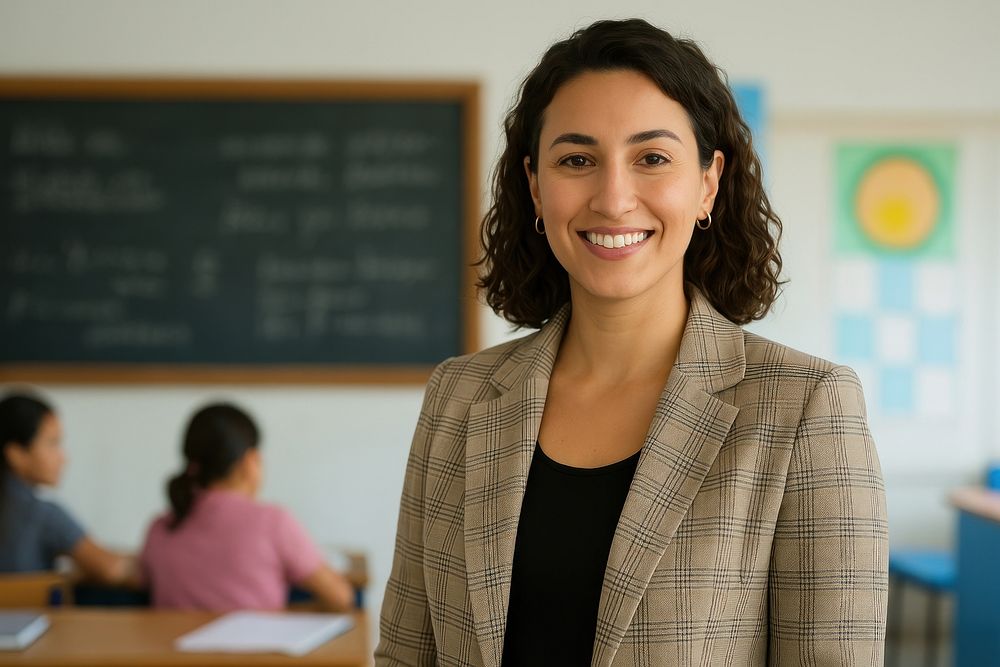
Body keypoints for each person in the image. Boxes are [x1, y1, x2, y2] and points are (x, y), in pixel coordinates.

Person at [376, 18, 887, 666]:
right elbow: (405, 653)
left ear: (707, 182)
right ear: (536, 185)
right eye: (577, 159)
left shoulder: (807, 406)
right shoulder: (458, 394)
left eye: (652, 158)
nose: (614, 198)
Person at [139, 402, 354, 612]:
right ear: (250, 461)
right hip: (259, 646)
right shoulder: (273, 522)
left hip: (169, 648)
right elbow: (341, 597)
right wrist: (283, 615)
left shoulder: (159, 528)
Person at [0, 391, 135, 584]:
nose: (63, 458)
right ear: (16, 454)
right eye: (52, 443)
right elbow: (110, 568)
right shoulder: (41, 514)